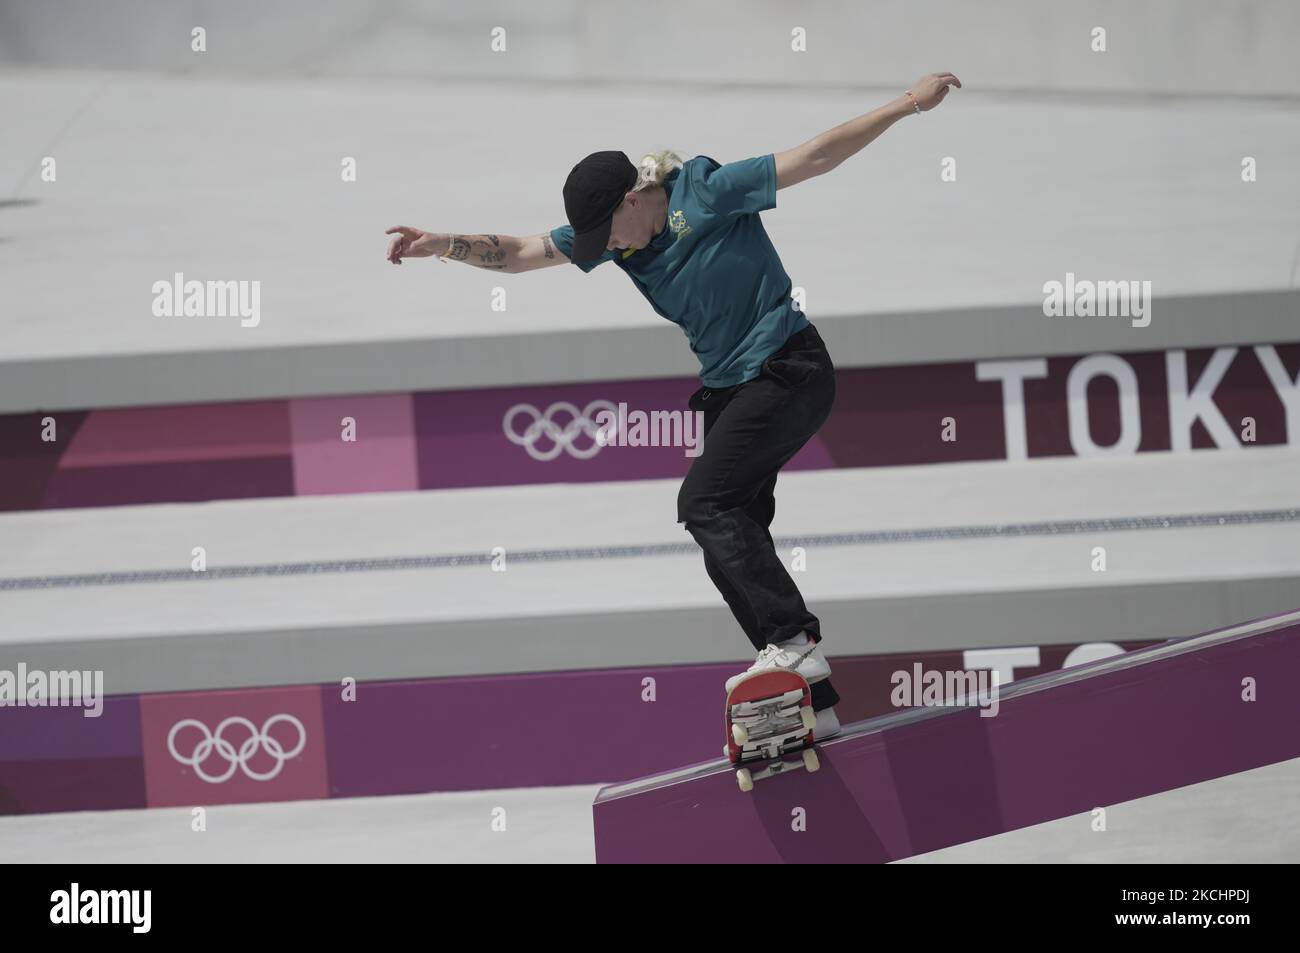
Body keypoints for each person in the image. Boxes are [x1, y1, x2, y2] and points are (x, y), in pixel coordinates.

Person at [386, 73, 962, 744]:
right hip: (729, 391)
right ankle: (812, 696)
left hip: (789, 367)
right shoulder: (616, 239)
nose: (613, 249)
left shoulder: (707, 190)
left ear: (636, 197)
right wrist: (443, 245)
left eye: (613, 231)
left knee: (704, 502)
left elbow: (816, 155)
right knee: (727, 536)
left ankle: (794, 641)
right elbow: (518, 253)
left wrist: (907, 105)